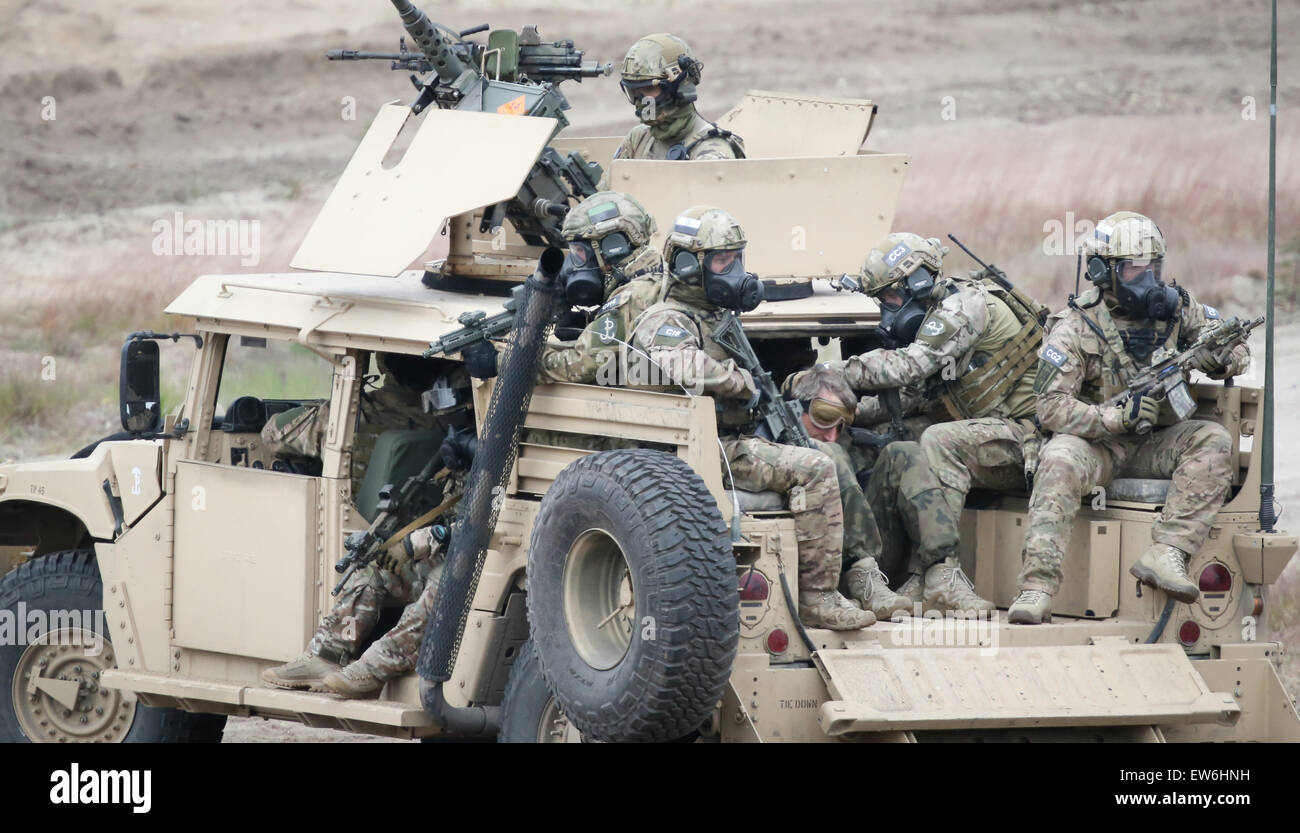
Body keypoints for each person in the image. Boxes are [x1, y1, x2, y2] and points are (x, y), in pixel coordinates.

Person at [629, 205, 872, 630]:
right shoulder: (666, 318)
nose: (734, 270)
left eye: (737, 258)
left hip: (728, 440)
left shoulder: (716, 317)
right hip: (703, 449)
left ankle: (866, 573)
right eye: (722, 260)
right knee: (814, 468)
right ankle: (817, 597)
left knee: (828, 456)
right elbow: (683, 366)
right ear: (688, 265)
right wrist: (738, 380)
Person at [1009, 211, 1250, 623]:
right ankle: (1036, 589)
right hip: (1097, 445)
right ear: (1104, 271)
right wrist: (1112, 418)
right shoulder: (1074, 326)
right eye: (1134, 268)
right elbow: (1049, 407)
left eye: (1153, 267)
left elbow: (1239, 350)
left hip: (1155, 443)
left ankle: (1168, 551)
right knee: (1059, 458)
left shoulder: (1178, 310)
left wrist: (1219, 360)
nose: (1148, 278)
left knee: (1213, 440)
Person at [540, 190, 665, 385]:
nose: (575, 262)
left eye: (579, 251)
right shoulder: (659, 271)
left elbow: (582, 365)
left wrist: (510, 361)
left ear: (612, 247)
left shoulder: (632, 296)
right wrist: (588, 325)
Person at [600, 33, 744, 187]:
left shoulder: (712, 150)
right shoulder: (638, 139)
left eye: (649, 88)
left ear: (681, 88)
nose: (641, 100)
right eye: (635, 91)